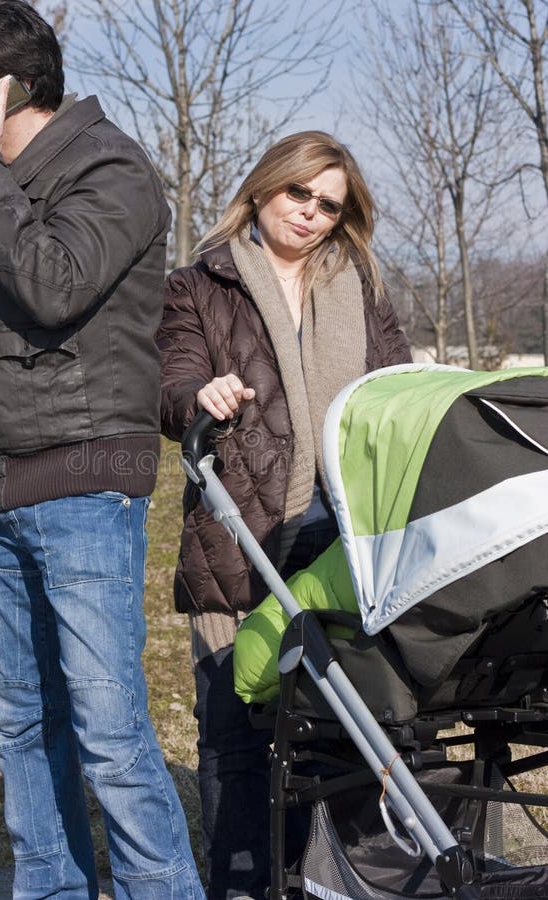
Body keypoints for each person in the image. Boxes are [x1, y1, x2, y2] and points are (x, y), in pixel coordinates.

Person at [0, 2, 205, 898]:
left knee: (109, 734)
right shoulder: (0, 179)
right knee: (25, 727)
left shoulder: (110, 168)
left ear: (10, 85)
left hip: (82, 490)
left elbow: (51, 285)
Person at [157, 131, 412, 900]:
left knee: (340, 729)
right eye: (298, 192)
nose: (308, 212)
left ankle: (331, 882)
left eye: (327, 205)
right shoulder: (199, 285)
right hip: (237, 534)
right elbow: (169, 387)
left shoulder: (359, 286)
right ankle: (242, 885)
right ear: (265, 186)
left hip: (344, 536)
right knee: (233, 731)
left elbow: (394, 390)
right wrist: (199, 397)